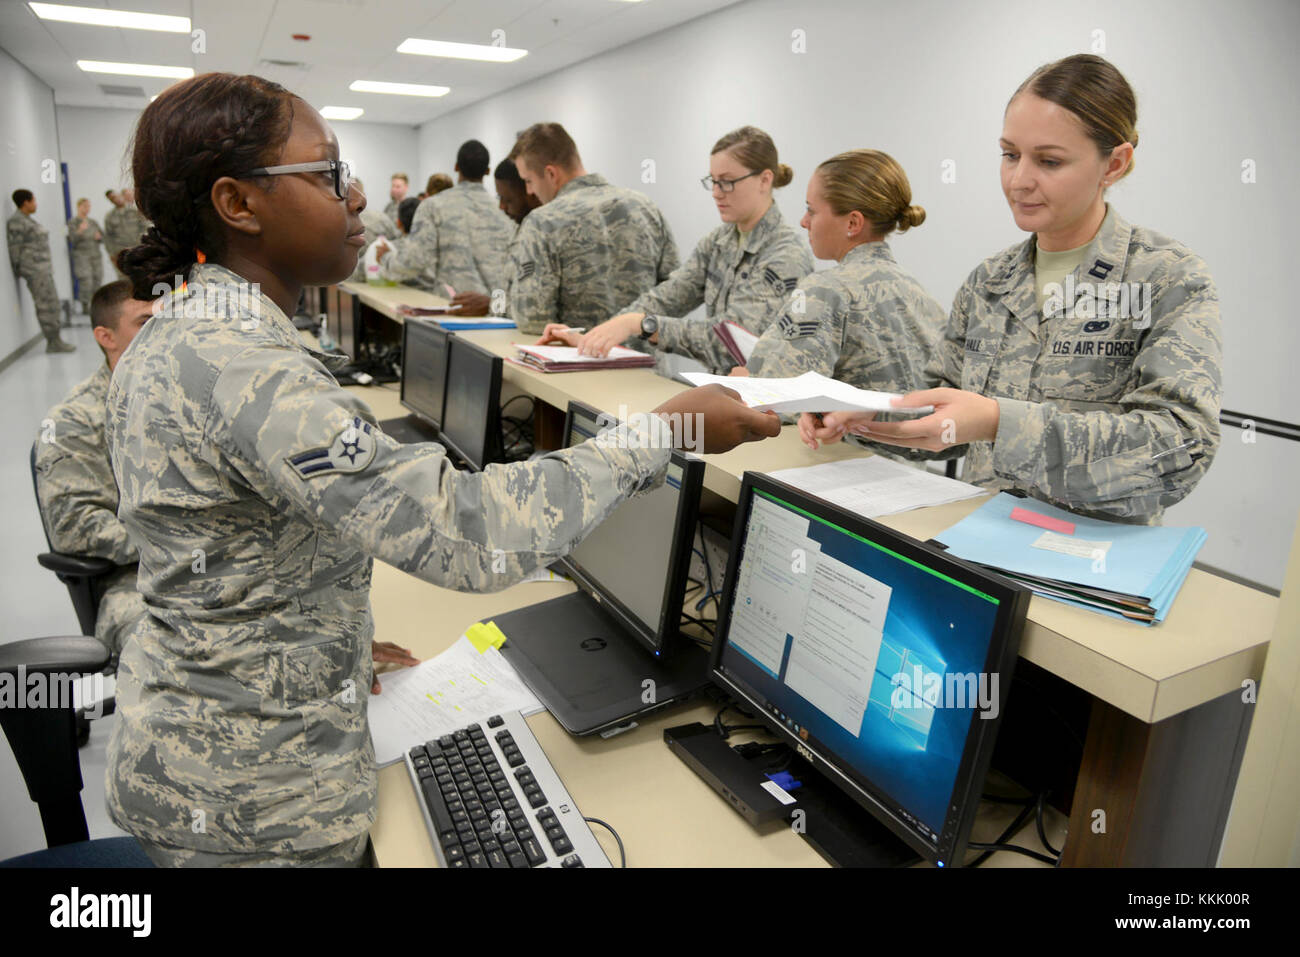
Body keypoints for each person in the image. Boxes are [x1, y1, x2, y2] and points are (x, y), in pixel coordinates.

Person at [107, 72, 778, 867]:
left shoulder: (192, 322)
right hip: (258, 808)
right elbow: (469, 531)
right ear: (237, 204)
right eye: (328, 175)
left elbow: (231, 557)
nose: (355, 198)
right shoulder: (241, 360)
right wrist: (671, 426)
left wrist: (327, 637)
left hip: (211, 749)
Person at [803, 55, 1221, 524]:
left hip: (1093, 564)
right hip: (978, 546)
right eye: (1010, 154)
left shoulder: (1166, 278)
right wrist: (859, 416)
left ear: (1114, 164)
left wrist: (1000, 422)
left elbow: (1181, 449)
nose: (1019, 180)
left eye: (1049, 161)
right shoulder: (990, 282)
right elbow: (946, 416)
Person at [542, 127, 813, 374]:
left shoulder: (785, 254)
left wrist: (642, 324)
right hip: (728, 397)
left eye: (727, 182)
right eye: (713, 181)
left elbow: (730, 342)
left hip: (769, 415)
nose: (716, 193)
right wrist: (595, 336)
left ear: (765, 180)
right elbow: (668, 297)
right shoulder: (719, 242)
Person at [740, 149, 944, 407]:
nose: (804, 222)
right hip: (910, 445)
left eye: (811, 211)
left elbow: (777, 399)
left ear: (852, 223)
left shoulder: (827, 289)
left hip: (846, 445)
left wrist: (748, 379)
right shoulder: (921, 295)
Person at [34, 280, 153, 660]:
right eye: (145, 322)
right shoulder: (75, 420)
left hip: (212, 559)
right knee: (171, 655)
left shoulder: (191, 397)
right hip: (132, 577)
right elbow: (74, 525)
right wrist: (171, 544)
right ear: (107, 337)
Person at [508, 122, 679, 335]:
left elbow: (533, 318)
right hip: (647, 363)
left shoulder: (543, 221)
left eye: (529, 180)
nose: (529, 191)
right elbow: (676, 293)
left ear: (551, 174)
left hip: (579, 360)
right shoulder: (645, 206)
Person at [374, 139, 515, 303]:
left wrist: (386, 258)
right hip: (496, 310)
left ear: (456, 167)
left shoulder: (433, 207)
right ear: (488, 171)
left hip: (453, 308)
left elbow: (413, 262)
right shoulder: (504, 210)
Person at [450, 159, 541, 317]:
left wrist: (491, 304)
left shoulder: (542, 234)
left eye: (508, 200)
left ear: (529, 191)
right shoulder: (517, 228)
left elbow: (536, 309)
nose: (501, 207)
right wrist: (492, 305)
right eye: (499, 198)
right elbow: (503, 285)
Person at [7, 189, 75, 352]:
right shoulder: (17, 221)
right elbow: (14, 247)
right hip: (34, 270)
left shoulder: (28, 220)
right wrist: (19, 268)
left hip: (42, 269)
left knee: (52, 303)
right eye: (34, 201)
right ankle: (53, 342)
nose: (36, 204)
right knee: (46, 305)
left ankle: (56, 339)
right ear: (25, 202)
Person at [67, 197, 105, 314]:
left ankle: (96, 305)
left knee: (97, 279)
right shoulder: (74, 222)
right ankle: (85, 305)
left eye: (88, 206)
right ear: (78, 207)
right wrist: (80, 231)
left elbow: (103, 237)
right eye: (84, 206)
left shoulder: (93, 222)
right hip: (82, 256)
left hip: (95, 255)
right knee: (86, 281)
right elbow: (71, 239)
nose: (87, 209)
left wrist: (100, 237)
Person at [104, 188, 149, 277]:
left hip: (138, 249)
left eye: (116, 196)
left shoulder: (135, 211)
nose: (116, 199)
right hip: (121, 252)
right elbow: (108, 237)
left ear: (121, 195)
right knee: (124, 278)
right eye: (112, 198)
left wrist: (143, 245)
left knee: (143, 276)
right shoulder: (110, 217)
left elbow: (145, 227)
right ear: (111, 201)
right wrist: (112, 253)